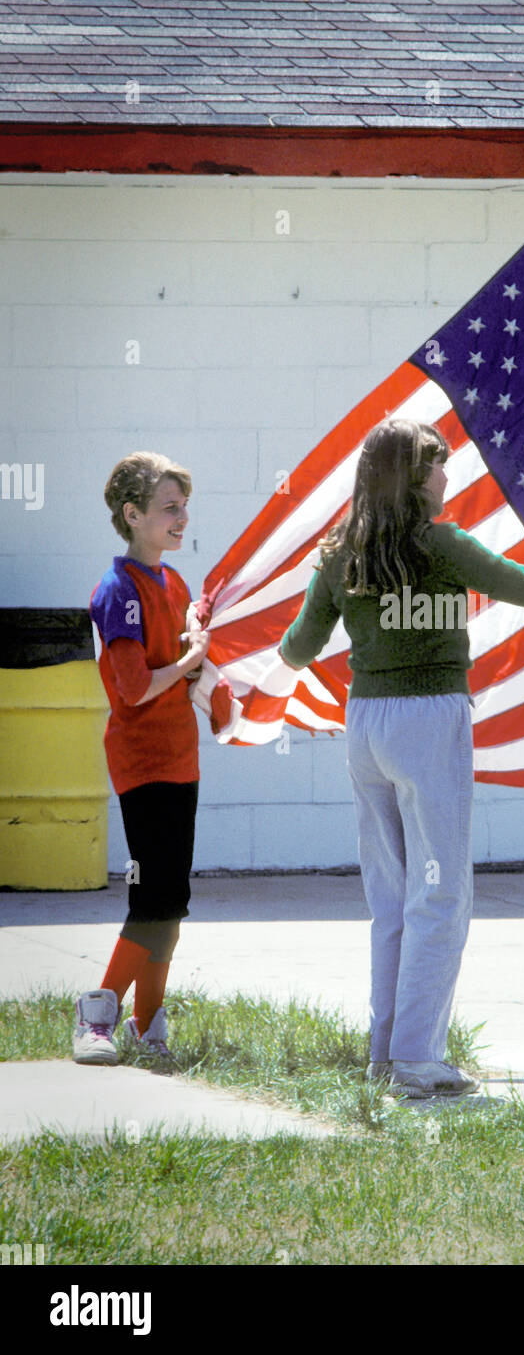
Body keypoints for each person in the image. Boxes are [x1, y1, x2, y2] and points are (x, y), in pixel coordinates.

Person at [278, 418, 524, 1099]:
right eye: (436, 466)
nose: (446, 477)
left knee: (391, 898)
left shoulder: (340, 551)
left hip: (366, 725)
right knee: (440, 894)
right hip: (430, 720)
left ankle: (387, 1054)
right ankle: (415, 1060)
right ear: (413, 479)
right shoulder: (440, 542)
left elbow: (295, 651)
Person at [76, 452, 210, 1066]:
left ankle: (148, 1022)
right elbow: (133, 687)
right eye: (169, 508)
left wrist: (207, 678)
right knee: (150, 897)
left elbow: (183, 674)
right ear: (133, 515)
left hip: (181, 757)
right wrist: (187, 665)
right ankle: (96, 1016)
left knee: (173, 899)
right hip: (142, 761)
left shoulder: (175, 584)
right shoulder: (118, 588)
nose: (182, 518)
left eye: (183, 506)